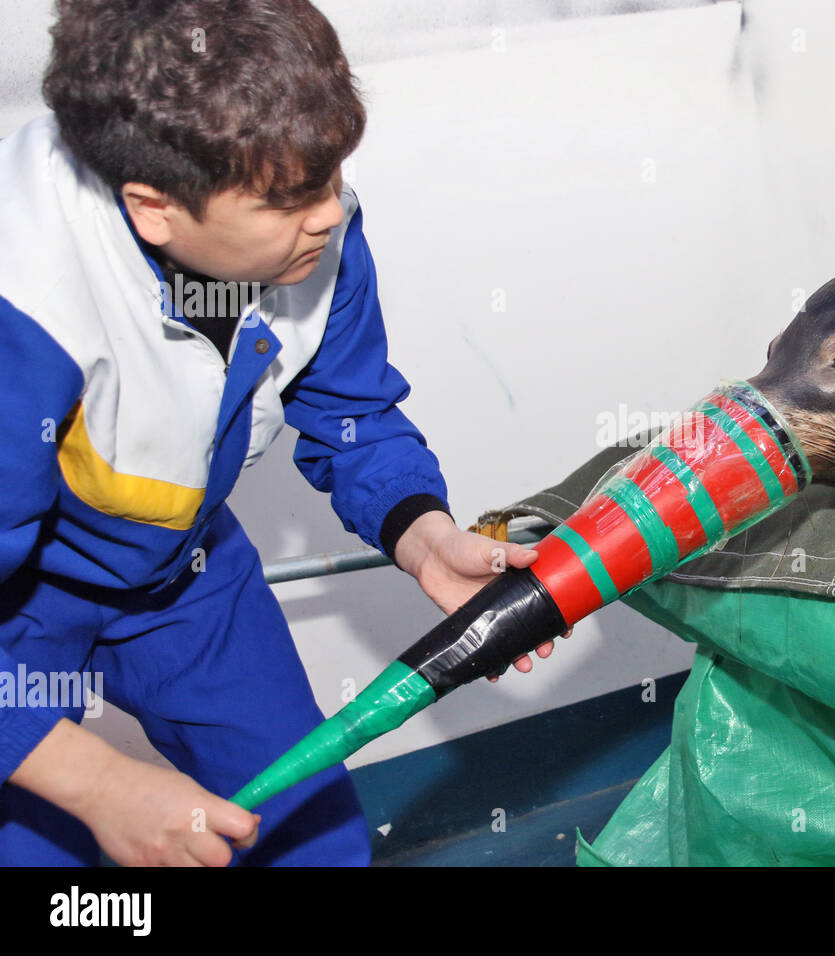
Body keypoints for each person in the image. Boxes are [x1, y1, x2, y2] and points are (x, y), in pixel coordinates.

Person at [0, 0, 550, 866]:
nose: (331, 215)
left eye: (332, 176)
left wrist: (423, 534)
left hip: (183, 574)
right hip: (17, 610)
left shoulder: (310, 227)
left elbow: (350, 411)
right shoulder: (22, 302)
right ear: (154, 208)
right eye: (290, 199)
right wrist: (95, 782)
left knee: (312, 838)